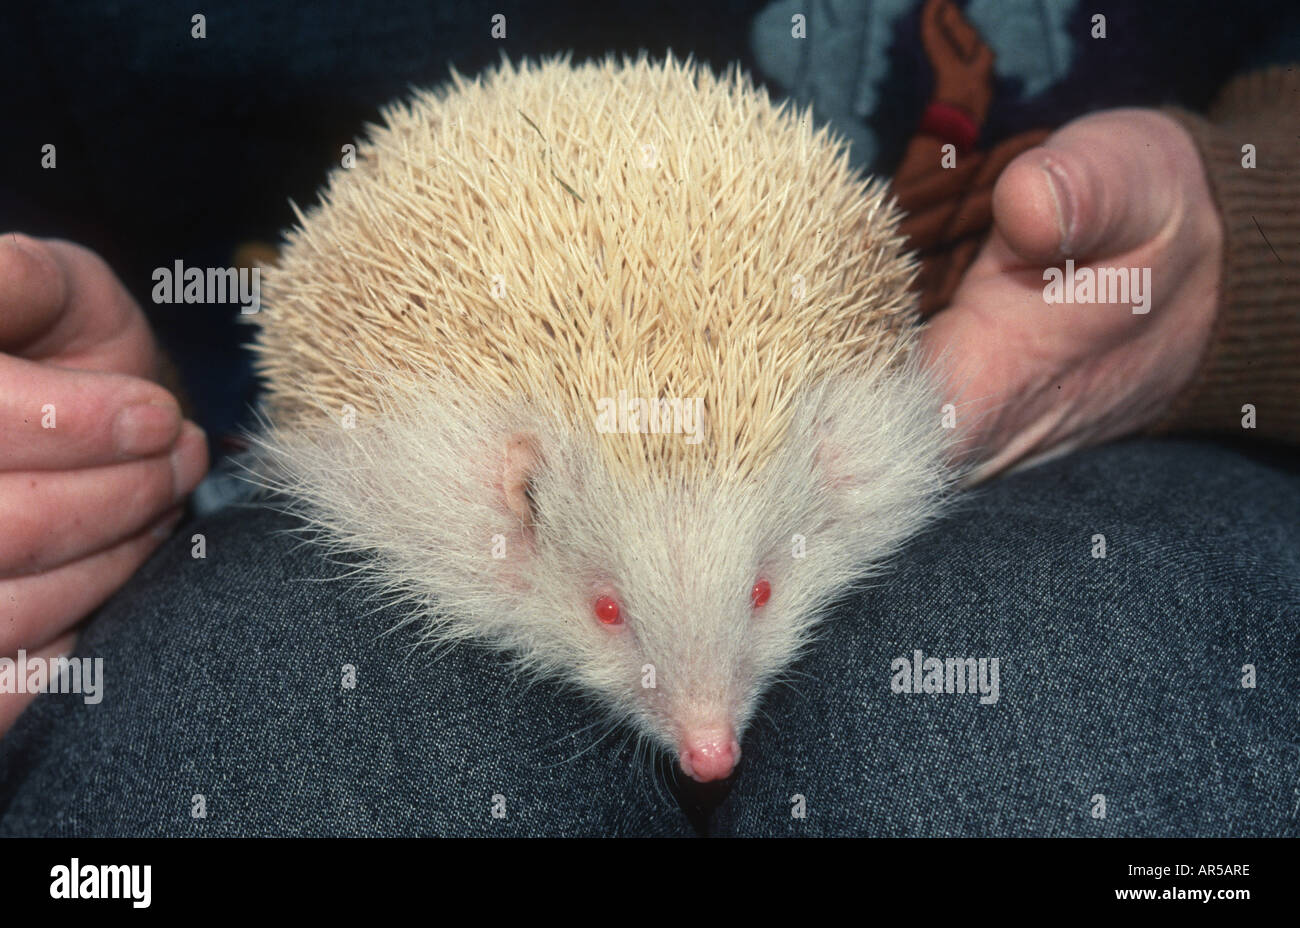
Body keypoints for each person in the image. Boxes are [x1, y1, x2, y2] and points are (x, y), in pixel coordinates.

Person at [0, 0, 1296, 835]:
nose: (706, 735)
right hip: (207, 460)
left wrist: (1260, 227)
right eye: (615, 613)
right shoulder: (443, 467)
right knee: (369, 791)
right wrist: (81, 415)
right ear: (514, 492)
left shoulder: (846, 435)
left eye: (761, 597)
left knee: (1016, 779)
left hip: (1119, 425)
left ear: (833, 468)